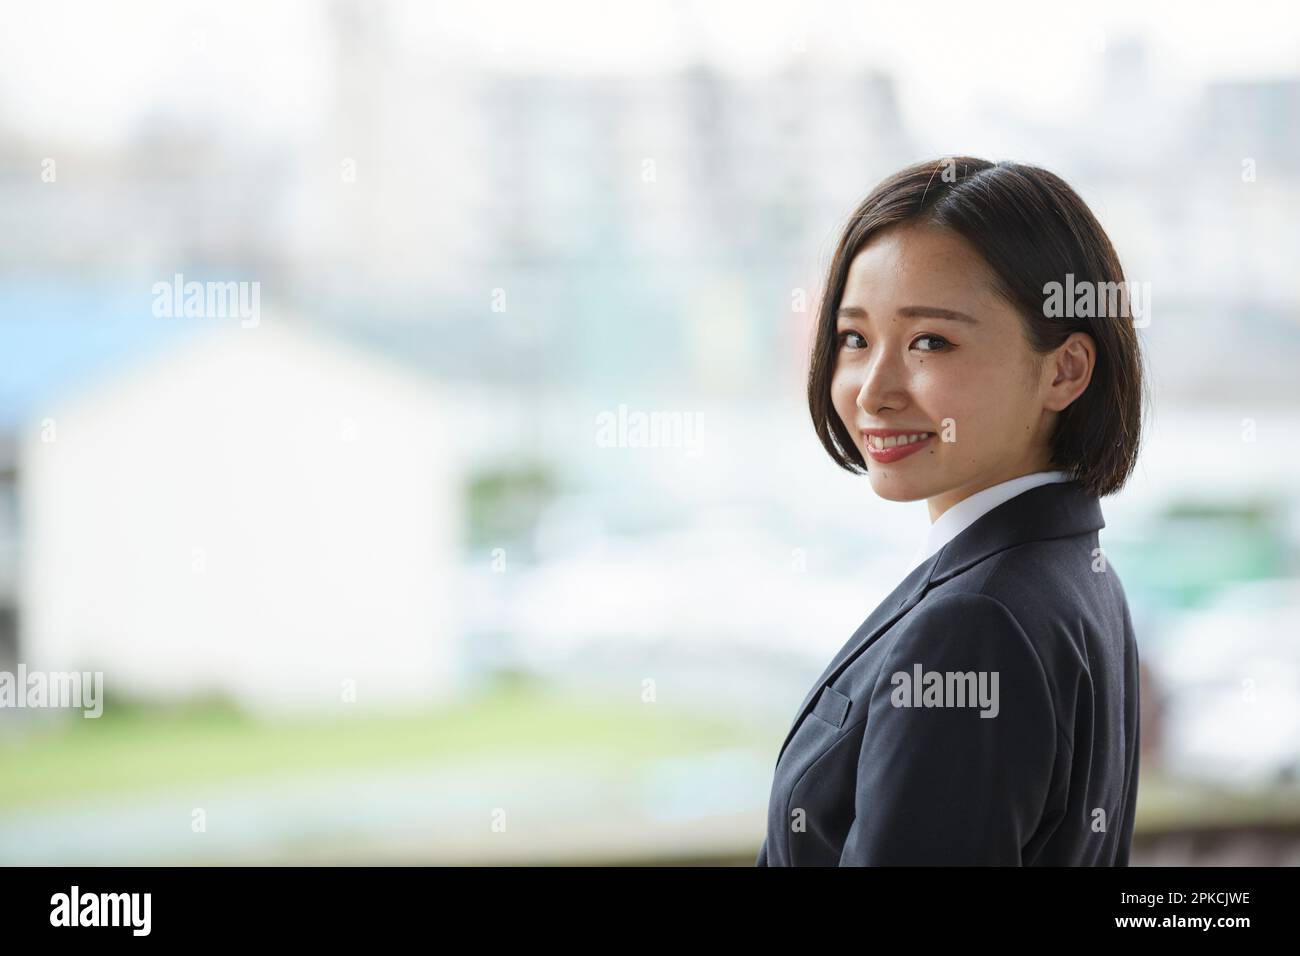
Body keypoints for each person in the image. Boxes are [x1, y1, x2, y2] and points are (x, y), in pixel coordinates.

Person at [756, 156, 1147, 866]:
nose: (874, 391)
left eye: (929, 342)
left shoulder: (973, 626)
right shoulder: (1072, 570)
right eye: (855, 339)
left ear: (1065, 369)